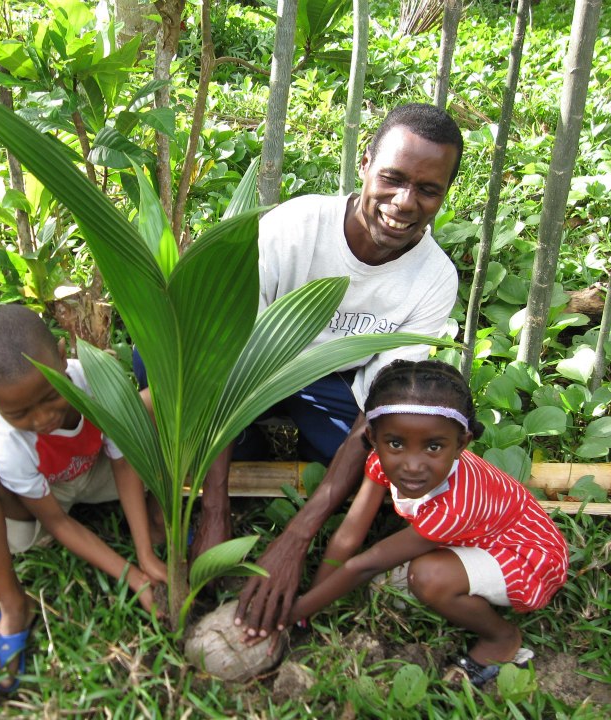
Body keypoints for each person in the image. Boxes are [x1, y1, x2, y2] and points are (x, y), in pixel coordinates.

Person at [228, 103, 464, 637]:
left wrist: (296, 537)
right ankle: (237, 452)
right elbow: (223, 351)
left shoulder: (433, 278)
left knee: (382, 457)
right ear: (364, 164)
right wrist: (215, 514)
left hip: (333, 384)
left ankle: (275, 451)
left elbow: (384, 407)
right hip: (251, 366)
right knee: (162, 362)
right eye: (393, 178)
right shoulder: (295, 227)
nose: (405, 203)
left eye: (428, 190)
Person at [287, 359, 569, 687]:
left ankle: (501, 639)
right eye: (396, 444)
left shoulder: (457, 503)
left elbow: (364, 564)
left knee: (427, 577)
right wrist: (311, 609)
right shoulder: (380, 459)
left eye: (433, 447)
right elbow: (350, 533)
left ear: (461, 443)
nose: (412, 465)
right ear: (373, 438)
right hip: (474, 539)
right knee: (392, 587)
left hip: (525, 554)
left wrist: (294, 612)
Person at [0, 304, 167, 693]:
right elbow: (58, 522)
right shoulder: (6, 441)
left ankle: (154, 517)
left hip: (98, 472)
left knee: (150, 403)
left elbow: (123, 463)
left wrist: (146, 554)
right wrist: (133, 576)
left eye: (51, 395)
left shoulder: (94, 379)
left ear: (63, 353)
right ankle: (14, 608)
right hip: (44, 504)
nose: (41, 418)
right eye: (19, 412)